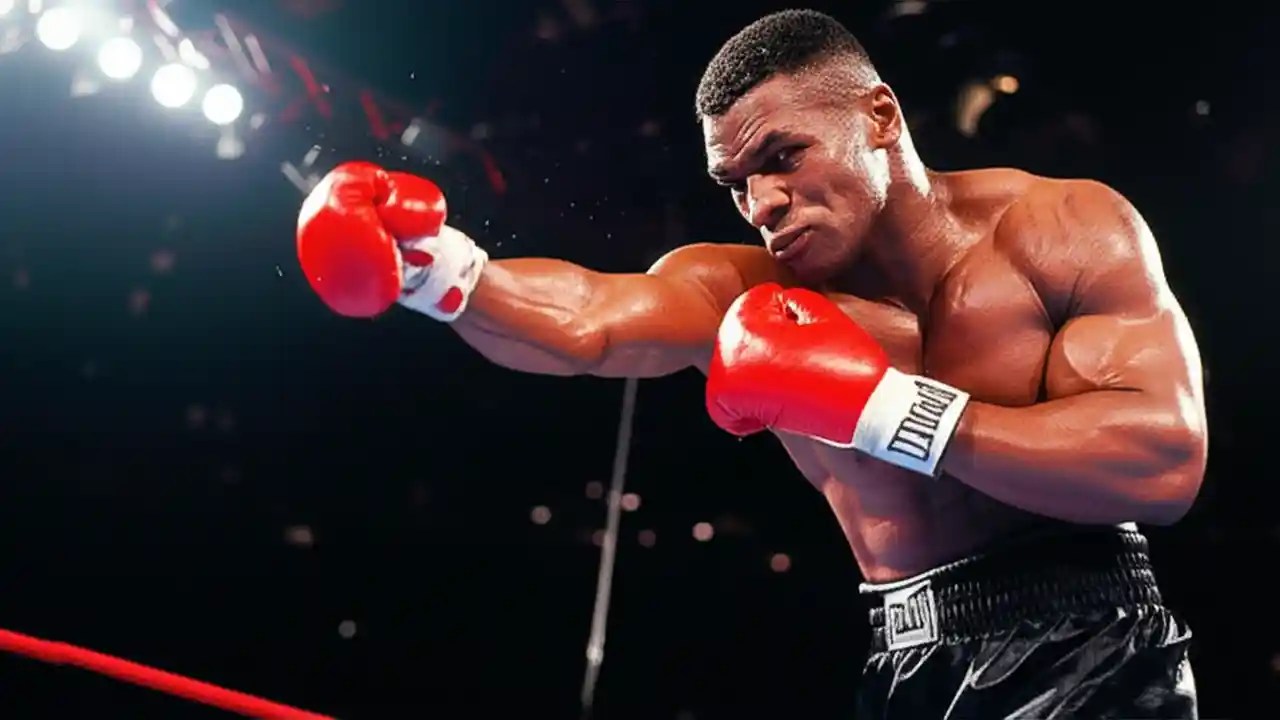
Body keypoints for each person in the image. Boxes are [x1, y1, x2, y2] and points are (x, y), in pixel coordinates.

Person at [295, 9, 1206, 718]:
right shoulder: (745, 288)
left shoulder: (1060, 229)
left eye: (783, 157)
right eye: (736, 184)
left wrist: (884, 409)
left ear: (879, 116)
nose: (763, 202)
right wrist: (437, 269)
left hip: (1090, 639)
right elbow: (589, 320)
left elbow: (1162, 462)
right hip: (906, 656)